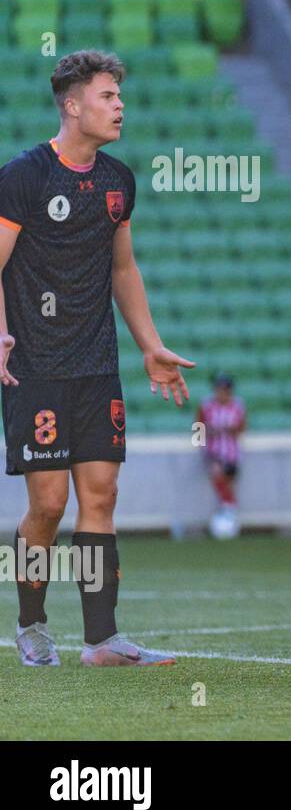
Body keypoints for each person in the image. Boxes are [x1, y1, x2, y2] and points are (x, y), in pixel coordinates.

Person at [0, 50, 194, 667]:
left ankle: (101, 640)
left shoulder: (118, 181)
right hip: (33, 364)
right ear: (72, 104)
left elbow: (123, 268)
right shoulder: (24, 176)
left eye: (119, 97)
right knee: (49, 504)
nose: (119, 106)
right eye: (108, 96)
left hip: (96, 363)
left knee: (102, 495)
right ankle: (31, 624)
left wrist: (150, 345)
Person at [197, 372, 246, 540]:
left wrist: (228, 429)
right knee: (217, 475)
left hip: (232, 453)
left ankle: (228, 516)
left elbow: (241, 428)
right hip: (213, 452)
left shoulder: (238, 406)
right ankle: (229, 510)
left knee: (227, 483)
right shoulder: (206, 405)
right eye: (219, 389)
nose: (221, 393)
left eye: (224, 389)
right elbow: (198, 426)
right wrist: (201, 446)